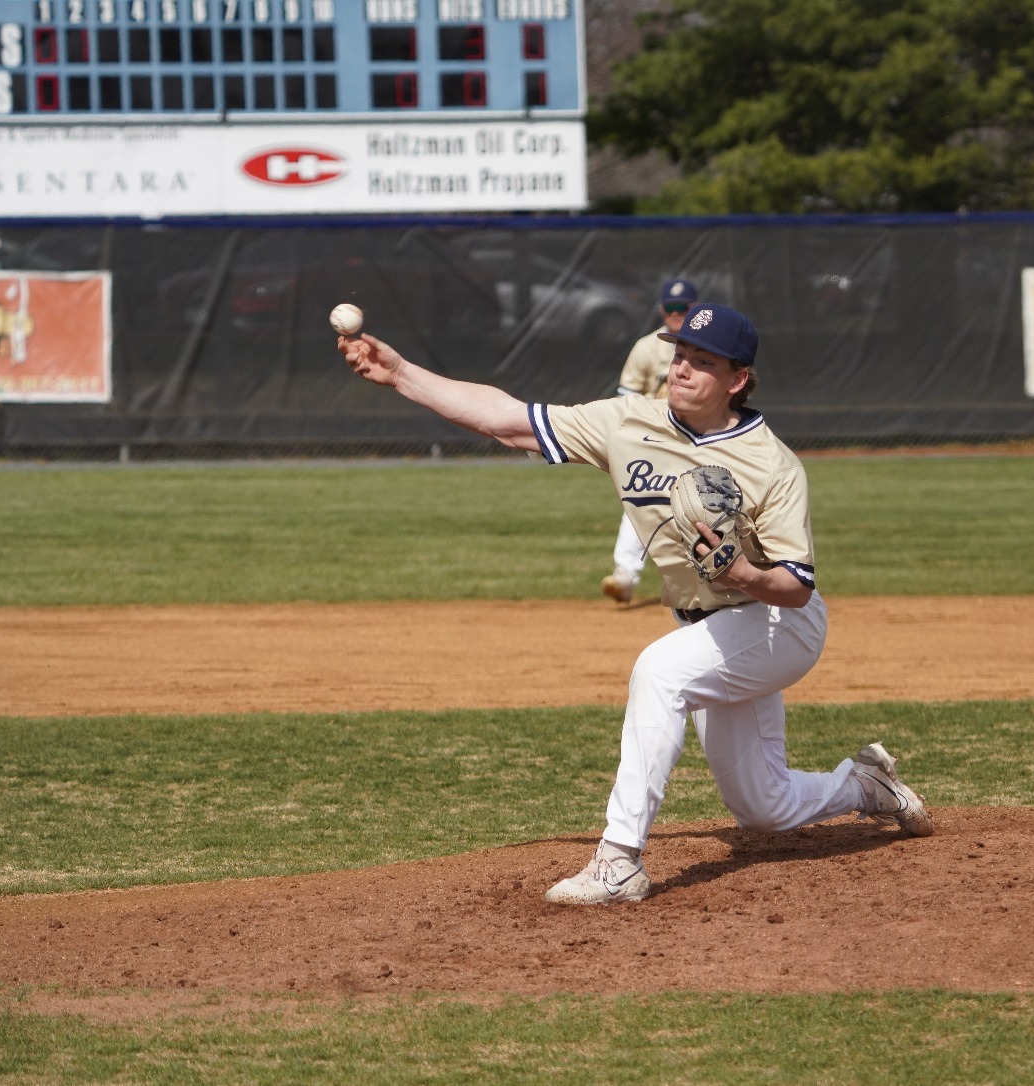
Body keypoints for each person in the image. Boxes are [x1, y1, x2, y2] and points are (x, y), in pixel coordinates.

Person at [336, 301, 934, 906]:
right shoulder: (627, 420)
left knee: (659, 670)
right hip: (708, 626)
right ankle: (865, 787)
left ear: (738, 380)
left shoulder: (772, 464)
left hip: (780, 625)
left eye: (703, 362)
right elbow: (509, 419)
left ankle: (619, 861)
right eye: (679, 355)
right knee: (763, 806)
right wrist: (403, 373)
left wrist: (743, 570)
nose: (681, 369)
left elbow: (795, 585)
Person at [601, 277, 699, 604]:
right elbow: (626, 397)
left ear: (695, 309)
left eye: (682, 308)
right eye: (670, 308)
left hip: (700, 437)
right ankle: (625, 575)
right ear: (661, 309)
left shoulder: (710, 348)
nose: (675, 313)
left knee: (702, 506)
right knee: (641, 499)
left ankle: (691, 578)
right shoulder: (647, 347)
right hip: (656, 436)